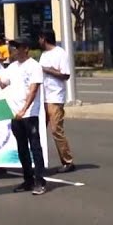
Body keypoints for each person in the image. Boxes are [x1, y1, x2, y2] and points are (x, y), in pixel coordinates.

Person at [2, 39, 45, 195]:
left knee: (35, 147)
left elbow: (33, 90)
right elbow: (2, 83)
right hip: (15, 115)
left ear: (26, 49)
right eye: (13, 47)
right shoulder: (12, 67)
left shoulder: (34, 66)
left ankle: (39, 181)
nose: (15, 50)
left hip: (29, 114)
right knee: (22, 148)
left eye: (18, 47)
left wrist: (24, 109)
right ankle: (28, 180)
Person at [37, 30, 75, 173]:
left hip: (55, 98)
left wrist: (47, 70)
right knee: (38, 131)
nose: (38, 41)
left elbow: (65, 75)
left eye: (39, 38)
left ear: (44, 38)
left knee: (56, 130)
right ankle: (38, 162)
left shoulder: (60, 53)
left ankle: (68, 161)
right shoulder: (44, 54)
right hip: (42, 97)